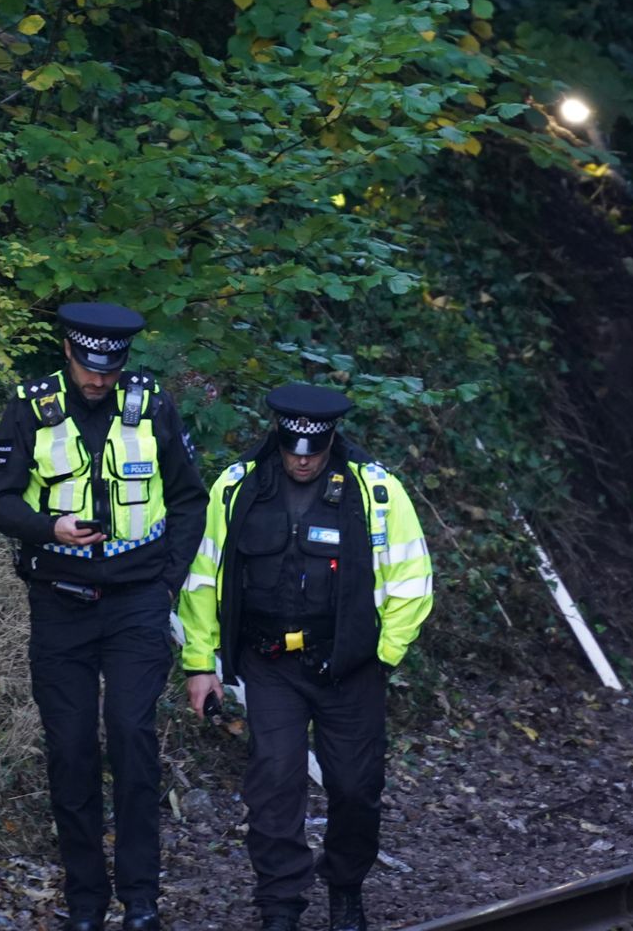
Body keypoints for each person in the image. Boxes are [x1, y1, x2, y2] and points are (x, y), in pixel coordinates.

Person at [0, 302, 208, 931]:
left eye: (110, 369)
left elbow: (190, 498)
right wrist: (47, 527)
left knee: (132, 739)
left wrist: (166, 583)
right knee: (72, 750)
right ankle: (85, 903)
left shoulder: (152, 404)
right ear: (68, 352)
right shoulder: (31, 405)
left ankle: (140, 900)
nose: (98, 380)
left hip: (137, 602)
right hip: (59, 605)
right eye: (88, 366)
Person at [176, 383, 433, 931]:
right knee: (274, 780)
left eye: (311, 452)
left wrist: (382, 657)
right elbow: (203, 579)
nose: (301, 460)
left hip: (351, 665)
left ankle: (345, 888)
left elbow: (412, 581)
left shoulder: (376, 490)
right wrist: (201, 664)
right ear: (278, 437)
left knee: (356, 788)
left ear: (330, 440)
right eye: (293, 449)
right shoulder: (238, 487)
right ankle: (280, 906)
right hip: (269, 663)